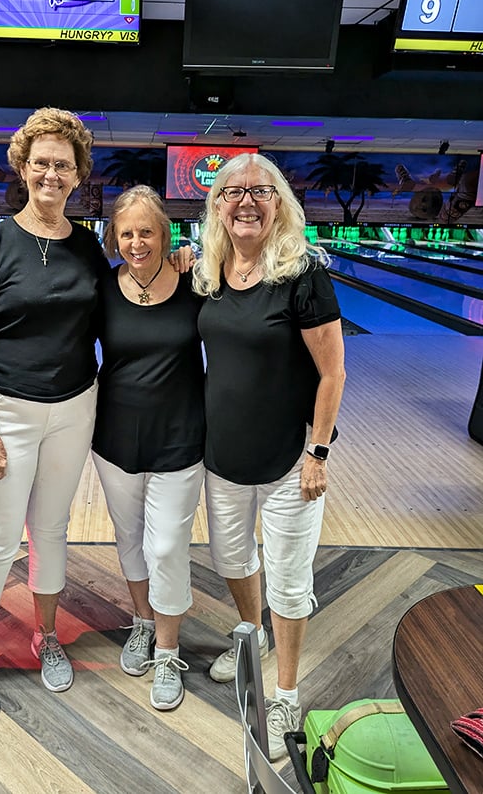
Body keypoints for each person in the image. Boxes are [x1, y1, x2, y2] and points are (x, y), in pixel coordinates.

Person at [0, 107, 108, 720]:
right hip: (7, 414)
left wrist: (175, 266)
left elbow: (124, 301)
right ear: (23, 167)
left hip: (74, 407)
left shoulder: (87, 246)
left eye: (62, 165)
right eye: (41, 162)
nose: (51, 173)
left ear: (77, 176)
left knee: (50, 529)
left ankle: (47, 637)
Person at [193, 152, 345, 759]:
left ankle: (285, 690)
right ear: (217, 206)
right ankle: (249, 635)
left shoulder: (303, 273)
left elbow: (332, 371)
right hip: (222, 456)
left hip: (289, 459)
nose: (246, 201)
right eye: (232, 192)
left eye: (260, 191)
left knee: (287, 580)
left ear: (278, 202)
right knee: (232, 559)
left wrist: (319, 450)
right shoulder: (209, 269)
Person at [91, 185, 205, 711]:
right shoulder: (102, 288)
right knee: (131, 538)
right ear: (115, 235)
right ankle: (142, 620)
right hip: (114, 434)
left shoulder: (192, 281)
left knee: (166, 547)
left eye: (147, 232)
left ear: (165, 234)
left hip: (180, 433)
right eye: (127, 232)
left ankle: (167, 649)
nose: (137, 242)